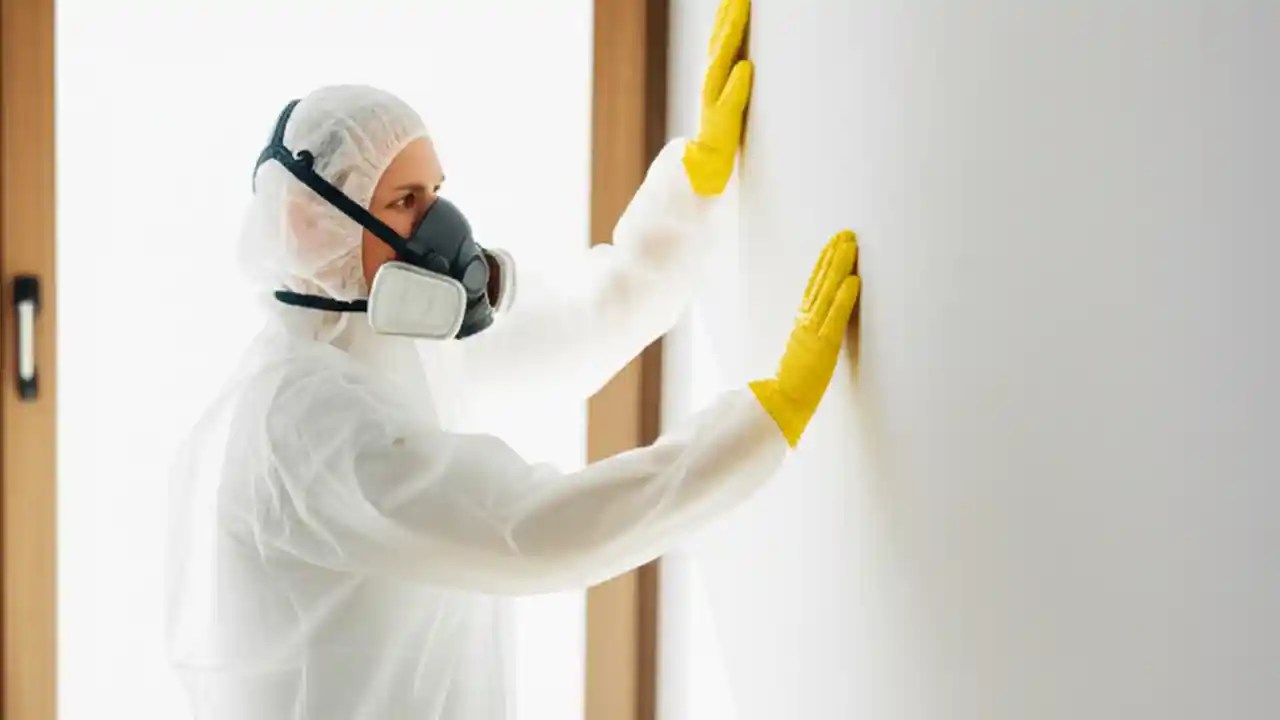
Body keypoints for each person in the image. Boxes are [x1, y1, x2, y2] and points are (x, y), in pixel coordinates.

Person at [166, 1, 860, 717]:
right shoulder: (305, 421)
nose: (440, 225)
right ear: (314, 225)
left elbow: (582, 325)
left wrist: (693, 186)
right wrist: (757, 427)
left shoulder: (387, 341)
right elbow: (531, 529)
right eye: (407, 200)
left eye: (437, 192)